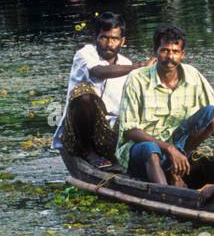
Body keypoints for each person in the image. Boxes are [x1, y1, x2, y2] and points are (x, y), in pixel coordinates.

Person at [116, 25, 214, 186]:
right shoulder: (136, 79)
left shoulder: (192, 75)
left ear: (182, 54)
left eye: (175, 52)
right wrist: (169, 149)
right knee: (151, 149)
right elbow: (130, 130)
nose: (170, 57)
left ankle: (174, 169)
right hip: (142, 150)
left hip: (179, 144)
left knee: (211, 113)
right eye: (164, 50)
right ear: (156, 51)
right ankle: (165, 192)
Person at [53, 12, 154, 168]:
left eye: (114, 39)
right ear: (96, 37)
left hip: (107, 133)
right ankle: (87, 151)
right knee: (84, 93)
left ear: (123, 41)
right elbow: (98, 71)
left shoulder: (126, 63)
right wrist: (138, 67)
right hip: (78, 134)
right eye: (104, 37)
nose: (109, 44)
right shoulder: (85, 54)